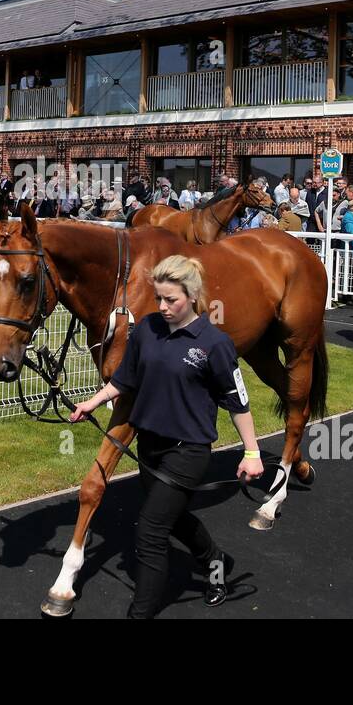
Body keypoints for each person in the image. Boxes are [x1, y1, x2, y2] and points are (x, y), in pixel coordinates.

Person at [68, 255, 263, 618]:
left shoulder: (214, 343)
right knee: (173, 518)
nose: (162, 306)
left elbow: (238, 403)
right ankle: (216, 562)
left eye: (170, 299)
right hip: (150, 447)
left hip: (188, 451)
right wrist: (91, 403)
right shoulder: (147, 329)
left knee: (150, 533)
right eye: (159, 298)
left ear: (191, 296)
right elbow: (125, 379)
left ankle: (140, 613)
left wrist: (252, 452)